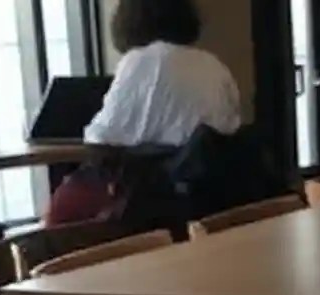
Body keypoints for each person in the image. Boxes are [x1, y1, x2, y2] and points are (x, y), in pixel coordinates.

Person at [51, 0, 241, 225]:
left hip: (150, 200)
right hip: (212, 199)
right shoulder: (214, 65)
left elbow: (101, 140)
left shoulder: (139, 62)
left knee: (62, 207)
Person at [83, 0, 240, 147]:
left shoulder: (140, 62)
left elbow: (102, 136)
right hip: (213, 166)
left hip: (156, 167)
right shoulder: (215, 65)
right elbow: (232, 127)